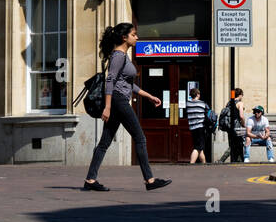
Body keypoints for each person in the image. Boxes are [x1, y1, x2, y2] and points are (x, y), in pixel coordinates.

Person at [83, 23, 172, 192]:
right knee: (140, 138)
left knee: (104, 143)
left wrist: (149, 96)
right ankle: (150, 180)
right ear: (125, 38)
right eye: (134, 34)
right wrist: (107, 107)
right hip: (118, 102)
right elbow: (110, 81)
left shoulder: (123, 56)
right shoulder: (118, 56)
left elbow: (127, 84)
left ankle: (90, 180)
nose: (137, 37)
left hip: (119, 99)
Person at [186, 85, 208, 165]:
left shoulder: (187, 104)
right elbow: (207, 112)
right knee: (197, 148)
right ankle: (191, 163)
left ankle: (204, 164)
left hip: (192, 128)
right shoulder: (202, 103)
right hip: (200, 127)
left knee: (200, 147)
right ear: (198, 94)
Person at [227, 88, 246, 164]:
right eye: (242, 95)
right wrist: (244, 124)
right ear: (240, 95)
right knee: (239, 143)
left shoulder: (229, 103)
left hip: (229, 126)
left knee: (232, 143)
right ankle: (221, 160)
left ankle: (235, 160)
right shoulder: (240, 103)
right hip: (236, 126)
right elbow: (241, 116)